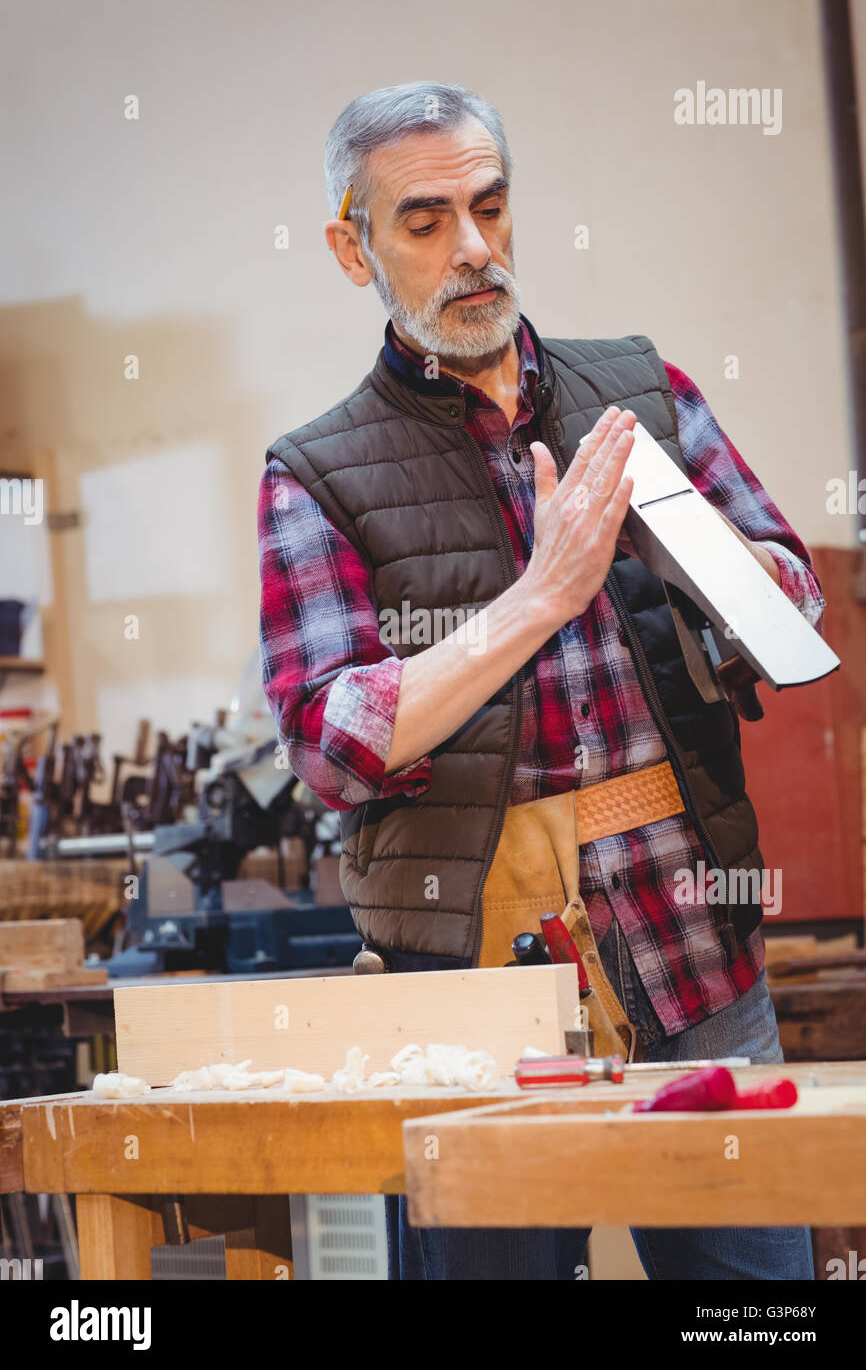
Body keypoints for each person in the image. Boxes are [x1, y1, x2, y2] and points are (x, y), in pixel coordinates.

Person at [257, 81, 823, 1280]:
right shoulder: (312, 472)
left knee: (756, 1305)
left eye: (491, 206)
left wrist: (704, 572)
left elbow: (784, 591)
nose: (471, 248)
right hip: (474, 994)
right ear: (349, 247)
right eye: (422, 221)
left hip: (694, 949)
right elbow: (329, 740)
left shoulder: (638, 390)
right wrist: (539, 599)